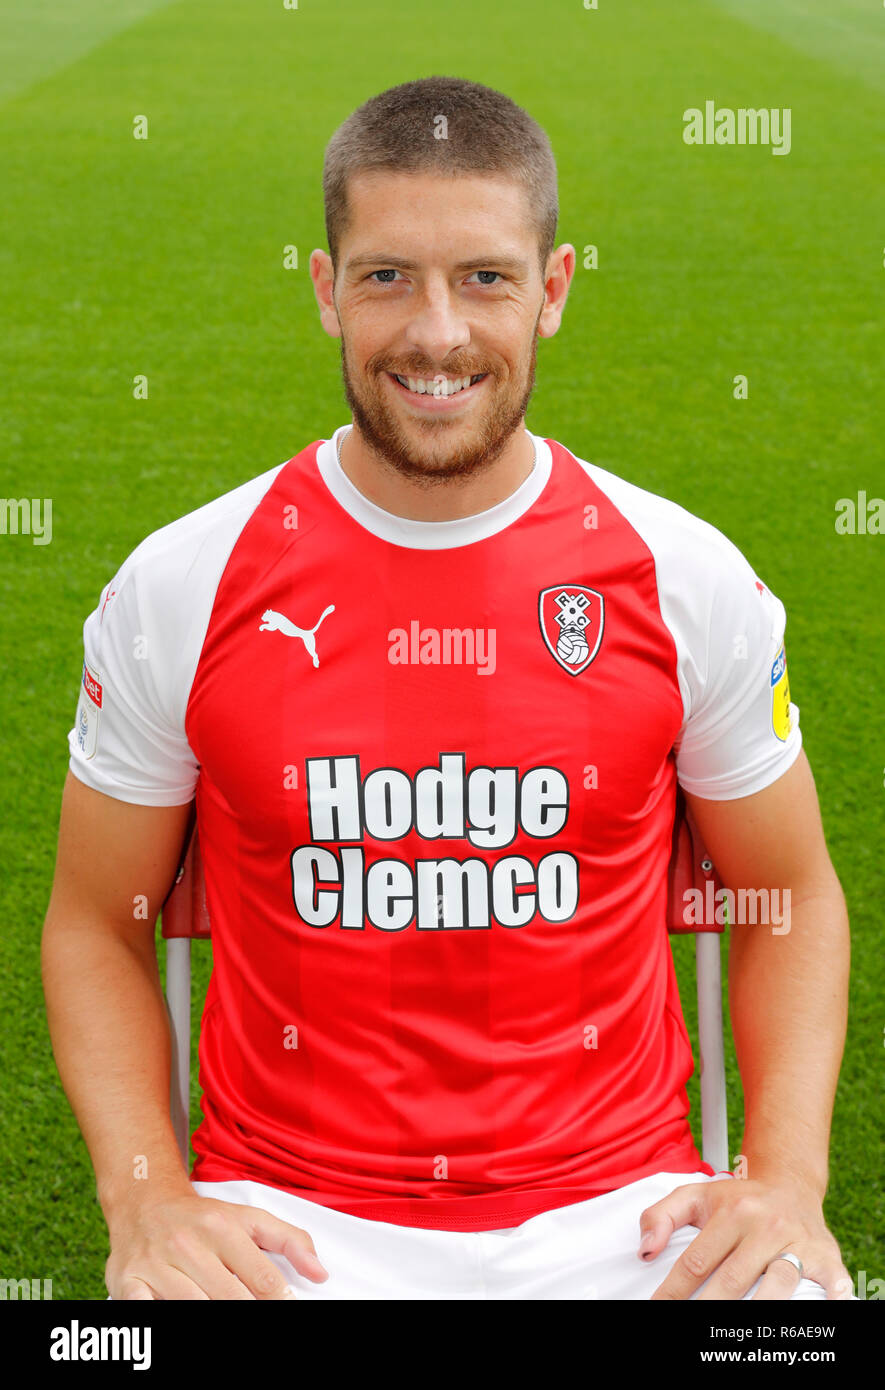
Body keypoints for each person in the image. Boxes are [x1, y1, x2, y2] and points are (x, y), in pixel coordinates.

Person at [42, 75, 852, 1301]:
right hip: (284, 1225)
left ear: (554, 289)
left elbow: (786, 891)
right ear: (325, 289)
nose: (435, 334)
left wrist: (784, 1183)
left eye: (484, 277)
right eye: (385, 277)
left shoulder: (682, 576)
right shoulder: (185, 582)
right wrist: (151, 1199)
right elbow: (99, 921)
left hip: (628, 1216)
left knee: (794, 1319)